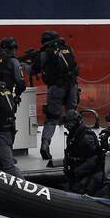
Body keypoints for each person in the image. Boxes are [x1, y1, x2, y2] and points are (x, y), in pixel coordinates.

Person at [33, 30, 80, 162]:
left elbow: (35, 69)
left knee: (52, 118)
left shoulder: (46, 53)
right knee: (73, 117)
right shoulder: (68, 49)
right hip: (72, 86)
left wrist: (25, 64)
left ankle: (45, 145)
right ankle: (76, 146)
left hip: (56, 88)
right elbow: (75, 67)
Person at [61, 110, 105, 195]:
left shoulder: (86, 136)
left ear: (76, 121)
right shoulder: (72, 135)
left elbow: (93, 160)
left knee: (82, 191)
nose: (67, 126)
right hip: (78, 172)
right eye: (66, 124)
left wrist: (76, 172)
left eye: (69, 123)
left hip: (90, 174)